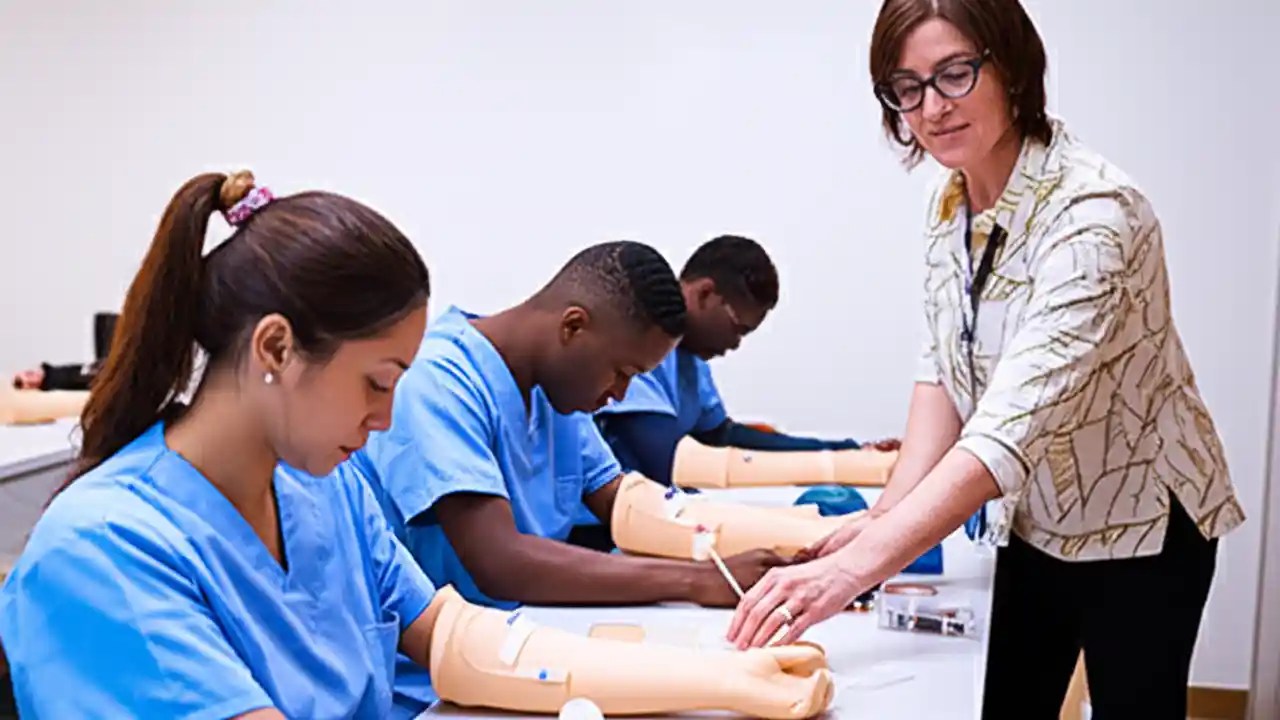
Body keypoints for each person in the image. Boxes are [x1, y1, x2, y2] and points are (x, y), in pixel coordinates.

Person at [725, 2, 1246, 718]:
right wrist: (880, 521)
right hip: (1037, 512)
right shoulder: (949, 204)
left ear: (1013, 68)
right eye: (907, 87)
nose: (932, 107)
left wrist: (853, 570)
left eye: (955, 74)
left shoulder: (1096, 215)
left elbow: (1005, 430)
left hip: (1142, 523)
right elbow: (942, 373)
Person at [0, 171, 442, 719]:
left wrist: (547, 664)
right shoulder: (103, 547)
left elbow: (448, 632)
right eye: (377, 383)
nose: (385, 419)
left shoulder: (328, 487)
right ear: (276, 347)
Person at [353, 240, 784, 609]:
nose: (620, 394)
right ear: (573, 326)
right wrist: (698, 580)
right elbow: (501, 563)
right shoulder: (438, 383)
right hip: (445, 662)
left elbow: (629, 507)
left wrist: (793, 536)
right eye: (621, 372)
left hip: (530, 626)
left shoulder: (554, 394)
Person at [567, 235, 899, 551]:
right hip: (603, 529)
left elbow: (723, 438)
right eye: (737, 328)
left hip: (646, 515)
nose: (736, 344)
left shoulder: (690, 361)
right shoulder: (637, 349)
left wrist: (848, 451)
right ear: (705, 294)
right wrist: (851, 472)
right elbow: (677, 463)